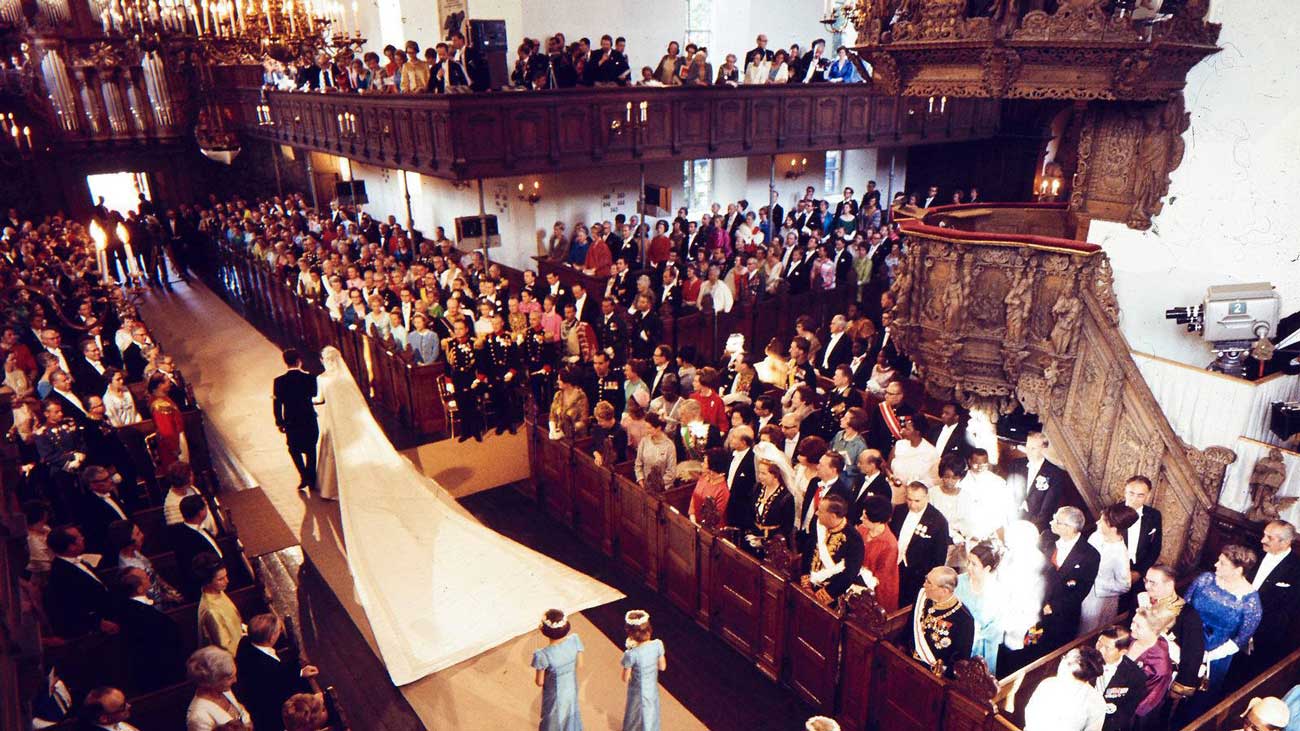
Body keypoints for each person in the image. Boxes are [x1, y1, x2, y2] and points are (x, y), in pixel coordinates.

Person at [1185, 544, 1262, 698]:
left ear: (1238, 570)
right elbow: (1185, 606)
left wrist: (1208, 656)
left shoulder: (1251, 603)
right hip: (1186, 640)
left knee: (1199, 698)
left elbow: (1240, 640)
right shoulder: (1205, 579)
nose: (1216, 564)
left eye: (1222, 563)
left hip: (1214, 656)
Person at [236, 614, 318, 731]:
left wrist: (300, 671)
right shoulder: (268, 667)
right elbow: (280, 681)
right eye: (279, 630)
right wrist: (300, 673)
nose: (281, 631)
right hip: (271, 710)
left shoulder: (245, 642)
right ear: (271, 638)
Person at [1040, 506, 1102, 653]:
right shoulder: (1047, 539)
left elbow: (1081, 591)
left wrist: (1053, 607)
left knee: (1052, 652)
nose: (1051, 522)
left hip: (1062, 617)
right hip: (1037, 609)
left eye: (1057, 521)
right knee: (1030, 646)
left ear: (1070, 528)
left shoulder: (1090, 555)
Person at [1081, 503, 1139, 633]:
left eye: (1102, 521)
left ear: (1113, 528)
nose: (1097, 522)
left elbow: (1124, 585)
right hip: (1082, 588)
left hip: (1097, 600)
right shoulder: (1096, 536)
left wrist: (1096, 583)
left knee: (1087, 630)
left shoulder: (1120, 553)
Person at [799, 493, 864, 607]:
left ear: (833, 516)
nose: (816, 513)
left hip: (831, 597)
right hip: (807, 587)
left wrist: (820, 597)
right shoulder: (818, 524)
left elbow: (849, 575)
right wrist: (806, 585)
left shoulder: (854, 539)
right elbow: (807, 552)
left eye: (820, 511)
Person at [890, 482, 951, 603]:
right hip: (895, 567)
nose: (912, 505)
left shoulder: (938, 521)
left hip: (917, 575)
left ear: (926, 498)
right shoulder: (899, 510)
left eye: (917, 501)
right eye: (909, 499)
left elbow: (939, 557)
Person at [1022, 646, 1108, 731]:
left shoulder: (1096, 702)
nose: (1062, 660)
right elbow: (1030, 716)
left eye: (1065, 657)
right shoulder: (1047, 684)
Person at [910, 566, 975, 678]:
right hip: (909, 661)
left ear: (944, 591)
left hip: (933, 675)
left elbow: (960, 661)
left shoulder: (964, 619)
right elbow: (909, 628)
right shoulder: (923, 598)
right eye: (926, 579)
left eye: (929, 583)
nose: (924, 585)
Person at [273, 348, 319, 490]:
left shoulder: (279, 381)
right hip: (308, 418)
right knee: (311, 449)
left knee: (293, 449)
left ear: (285, 362)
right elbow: (314, 393)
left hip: (291, 420)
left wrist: (279, 421)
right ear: (299, 361)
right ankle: (311, 479)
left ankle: (303, 475)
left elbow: (277, 403)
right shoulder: (309, 378)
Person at [955, 542, 1004, 675]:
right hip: (956, 641)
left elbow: (996, 629)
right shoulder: (958, 582)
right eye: (968, 562)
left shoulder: (998, 592)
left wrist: (975, 636)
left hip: (981, 649)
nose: (968, 567)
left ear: (987, 568)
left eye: (974, 564)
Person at [532, 608, 584, 731]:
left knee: (552, 717)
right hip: (571, 686)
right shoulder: (575, 639)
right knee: (571, 712)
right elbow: (580, 664)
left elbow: (540, 682)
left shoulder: (542, 655)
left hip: (554, 692)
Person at [1008, 432, 1071, 530]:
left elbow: (1047, 509)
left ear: (1044, 449)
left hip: (1035, 525)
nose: (1028, 451)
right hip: (1012, 519)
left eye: (1033, 448)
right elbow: (1009, 494)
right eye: (1027, 447)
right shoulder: (1016, 464)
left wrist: (1033, 528)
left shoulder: (1055, 473)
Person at [1126, 605, 1175, 727]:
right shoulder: (1132, 639)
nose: (1131, 627)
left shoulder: (1159, 666)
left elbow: (1147, 702)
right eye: (1133, 622)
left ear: (1154, 630)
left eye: (1138, 626)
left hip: (1134, 714)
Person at [1094, 625, 1149, 731]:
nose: (1100, 650)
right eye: (1099, 643)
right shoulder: (1084, 659)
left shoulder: (1135, 676)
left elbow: (1126, 712)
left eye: (1107, 648)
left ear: (1122, 652)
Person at [185, 646, 253, 731]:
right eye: (230, 678)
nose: (235, 680)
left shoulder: (223, 690)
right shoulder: (198, 716)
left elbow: (242, 712)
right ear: (211, 682)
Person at [621, 610, 666, 731]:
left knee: (635, 712)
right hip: (651, 687)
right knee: (650, 710)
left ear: (630, 634)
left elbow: (625, 678)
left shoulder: (631, 654)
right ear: (649, 629)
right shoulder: (658, 644)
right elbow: (662, 667)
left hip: (637, 689)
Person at [856, 495, 900, 611]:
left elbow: (881, 576)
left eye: (865, 517)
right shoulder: (862, 529)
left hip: (876, 589)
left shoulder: (890, 544)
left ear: (877, 521)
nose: (861, 518)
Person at [194, 553, 243, 655]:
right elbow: (226, 648)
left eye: (226, 576)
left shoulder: (218, 592)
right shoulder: (211, 610)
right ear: (207, 582)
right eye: (220, 579)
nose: (227, 581)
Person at [634, 412, 676, 492]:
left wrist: (657, 485)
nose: (647, 431)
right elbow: (638, 464)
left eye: (649, 428)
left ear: (658, 428)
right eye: (646, 428)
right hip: (645, 487)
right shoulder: (644, 441)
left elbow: (671, 472)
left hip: (663, 489)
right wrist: (641, 480)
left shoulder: (669, 446)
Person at [688, 451, 730, 527]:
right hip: (694, 522)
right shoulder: (704, 477)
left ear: (712, 469)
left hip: (709, 530)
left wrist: (698, 528)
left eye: (705, 463)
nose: (702, 464)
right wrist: (692, 520)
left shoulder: (723, 491)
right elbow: (694, 499)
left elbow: (713, 520)